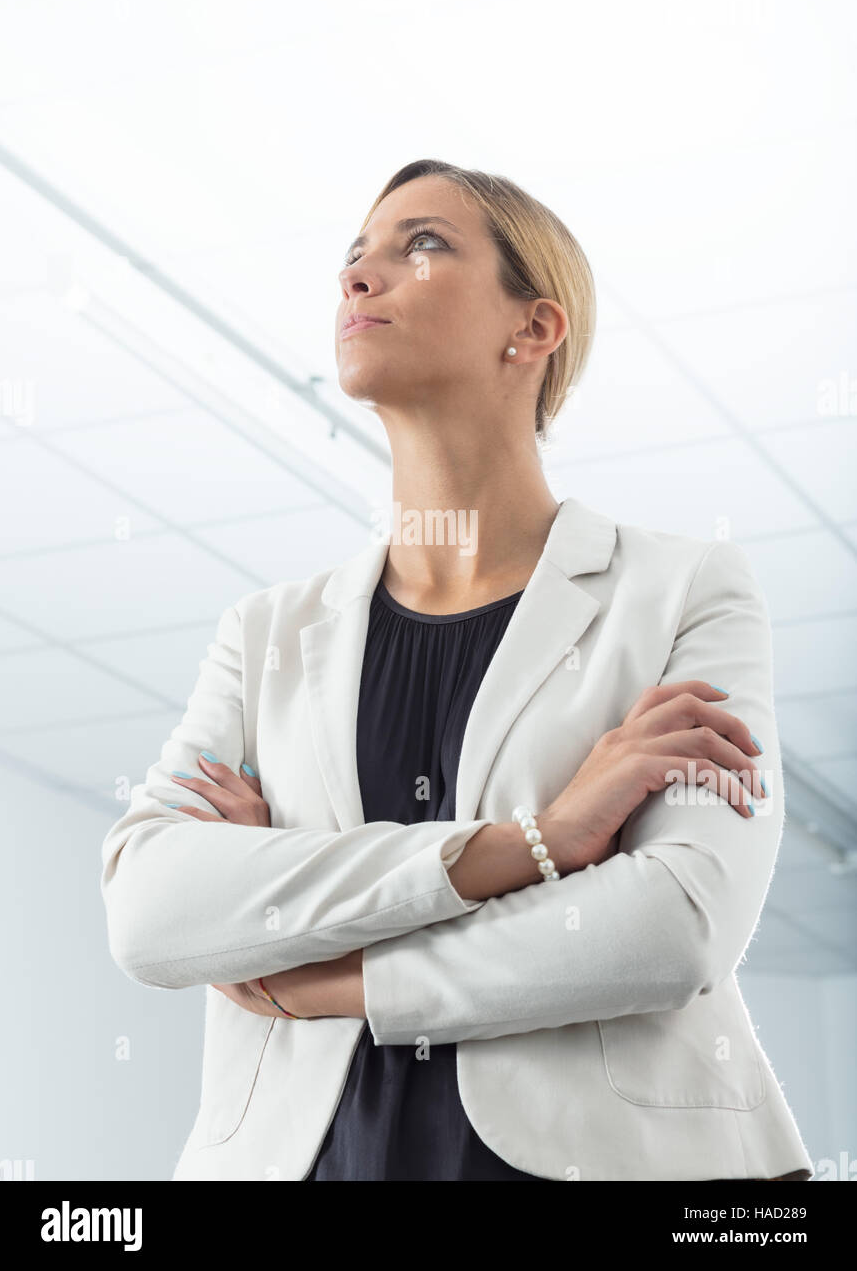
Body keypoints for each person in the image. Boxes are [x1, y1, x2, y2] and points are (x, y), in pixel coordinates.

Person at [100, 159, 813, 1181]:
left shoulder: (682, 590)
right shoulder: (262, 635)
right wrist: (532, 843)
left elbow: (670, 928)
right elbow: (151, 913)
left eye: (419, 245)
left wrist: (325, 975)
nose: (359, 276)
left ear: (531, 329)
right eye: (352, 258)